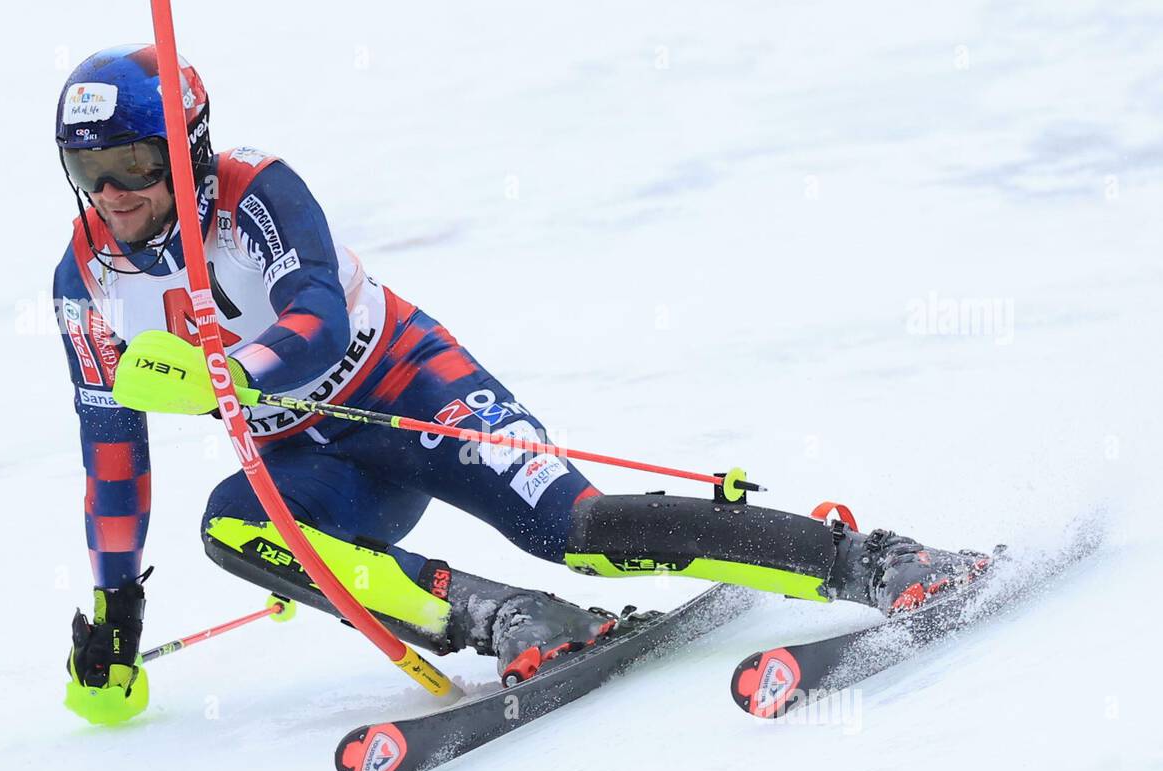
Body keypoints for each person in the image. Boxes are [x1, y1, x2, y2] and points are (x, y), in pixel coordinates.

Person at [54, 45, 988, 723]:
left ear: (187, 148)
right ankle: (512, 620)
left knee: (576, 531)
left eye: (135, 163)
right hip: (311, 460)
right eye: (90, 171)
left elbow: (315, 318)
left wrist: (233, 377)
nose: (115, 193)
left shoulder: (260, 192)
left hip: (405, 386)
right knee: (235, 525)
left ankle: (872, 561)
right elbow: (112, 461)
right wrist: (117, 611)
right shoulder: (84, 283)